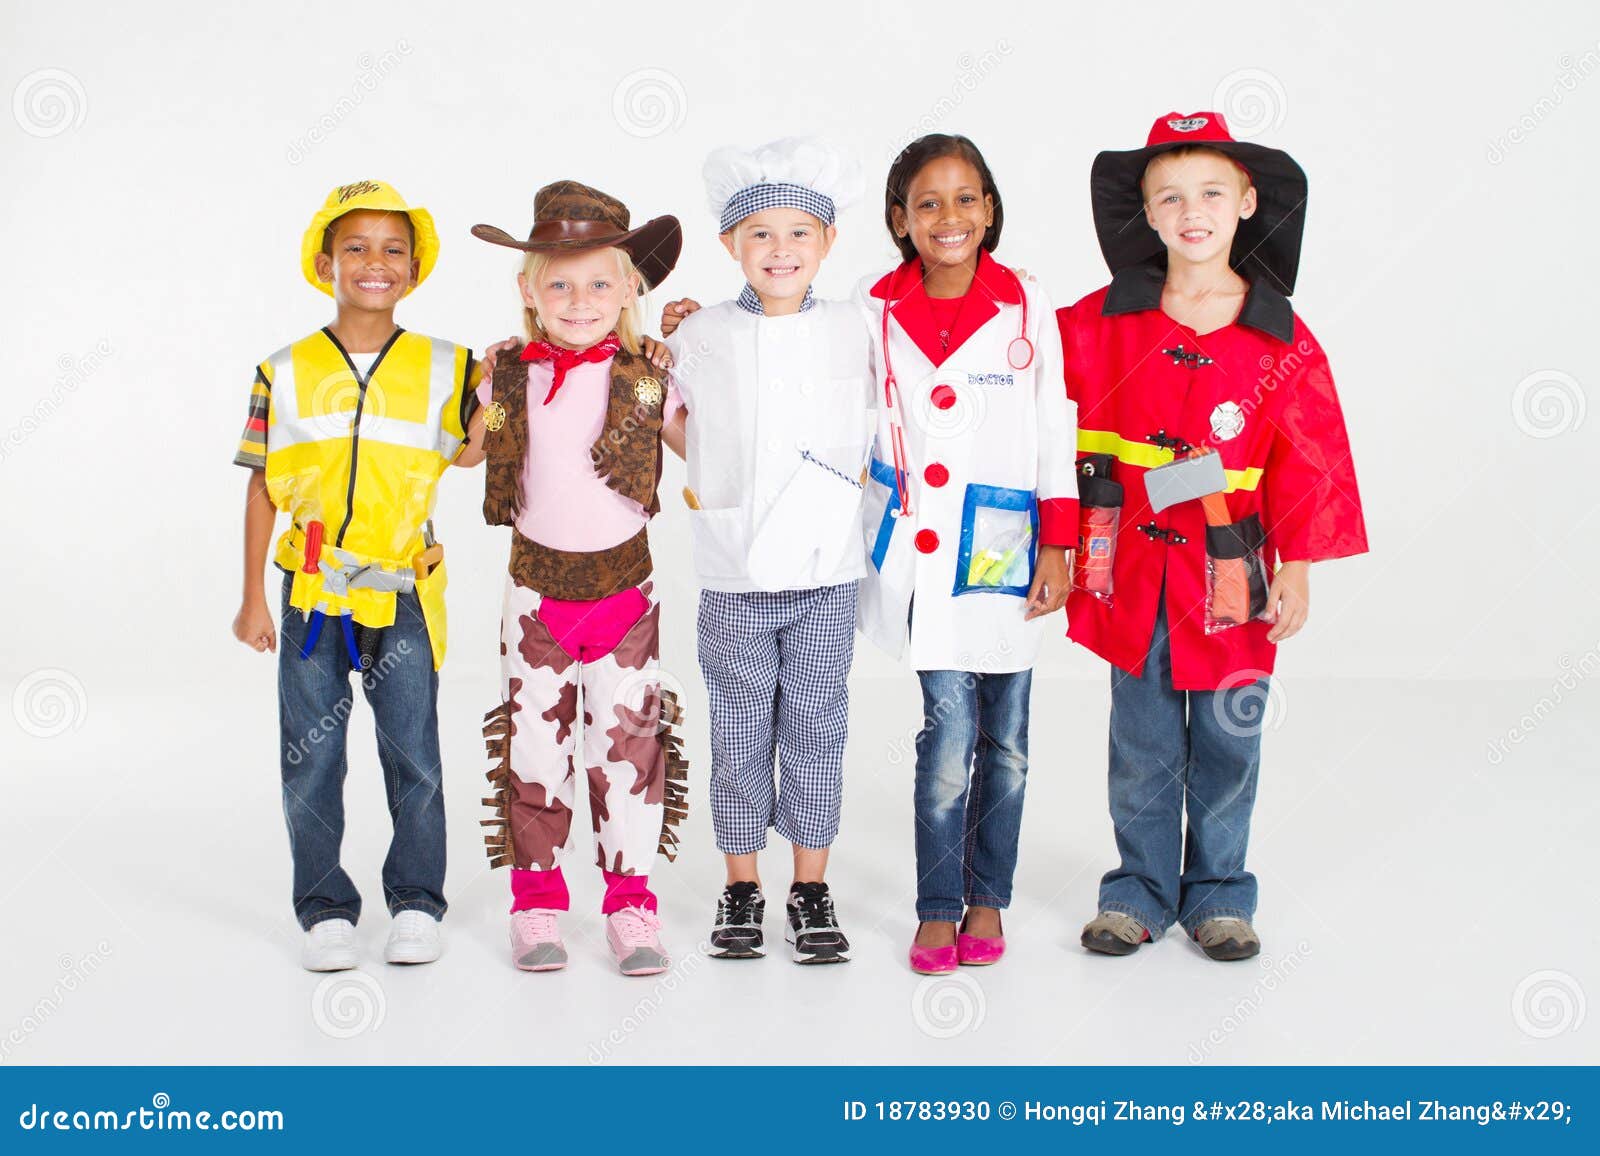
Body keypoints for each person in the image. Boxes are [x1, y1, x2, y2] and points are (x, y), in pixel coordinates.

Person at [1061, 111, 1367, 961]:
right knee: (1142, 737)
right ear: (1147, 216)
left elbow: (1309, 460)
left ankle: (1222, 895)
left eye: (1209, 192)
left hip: (1231, 572)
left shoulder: (1282, 337)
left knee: (1231, 736)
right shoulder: (1098, 321)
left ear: (1245, 201)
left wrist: (1298, 569)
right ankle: (1138, 891)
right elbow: (1021, 388)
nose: (1190, 210)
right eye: (1169, 196)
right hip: (1130, 568)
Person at [231, 180, 480, 971]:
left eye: (393, 248)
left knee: (414, 752)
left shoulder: (451, 364)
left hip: (402, 591)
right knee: (312, 755)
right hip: (310, 595)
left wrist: (500, 386)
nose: (375, 262)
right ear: (325, 261)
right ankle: (324, 908)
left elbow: (471, 454)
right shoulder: (286, 369)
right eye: (356, 247)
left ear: (415, 266)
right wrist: (248, 599)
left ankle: (417, 902)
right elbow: (260, 482)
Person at [472, 181, 688, 976]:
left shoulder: (645, 376)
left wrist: (689, 354)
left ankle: (632, 906)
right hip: (535, 600)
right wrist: (482, 379)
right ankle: (535, 906)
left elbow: (705, 445)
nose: (579, 298)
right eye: (557, 282)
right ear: (528, 290)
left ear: (631, 287)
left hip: (626, 599)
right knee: (533, 751)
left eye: (600, 281)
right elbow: (470, 450)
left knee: (628, 749)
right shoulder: (510, 377)